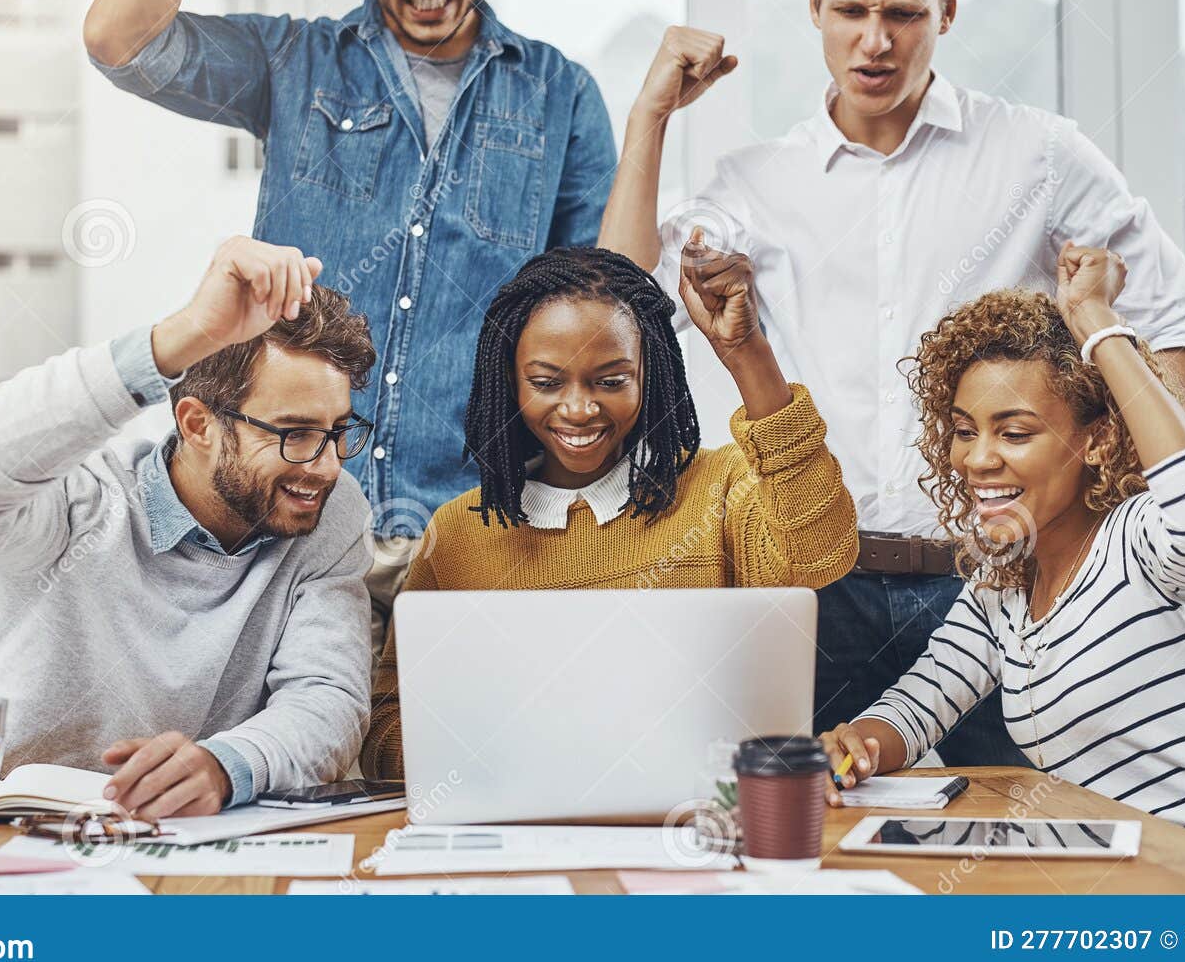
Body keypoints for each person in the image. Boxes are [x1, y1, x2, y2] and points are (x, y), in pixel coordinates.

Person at [597, 0, 1185, 766]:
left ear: (948, 11)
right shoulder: (757, 183)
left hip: (996, 582)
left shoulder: (1039, 155)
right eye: (851, 9)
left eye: (904, 11)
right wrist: (650, 116)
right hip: (817, 588)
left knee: (1018, 836)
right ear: (814, 6)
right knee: (805, 843)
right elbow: (617, 305)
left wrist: (1110, 512)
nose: (875, 39)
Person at [83, 0, 618, 642]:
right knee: (281, 760)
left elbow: (601, 315)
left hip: (469, 541)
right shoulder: (295, 63)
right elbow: (119, 37)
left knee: (440, 766)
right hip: (282, 532)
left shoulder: (560, 95)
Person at [819, 245, 1185, 868]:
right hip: (1146, 881)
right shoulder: (1003, 587)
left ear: (1098, 440)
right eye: (965, 430)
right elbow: (919, 703)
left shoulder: (1143, 541)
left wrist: (1096, 322)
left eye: (1014, 432)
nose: (978, 459)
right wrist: (857, 746)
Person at [360, 236, 861, 779]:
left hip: (695, 821)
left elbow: (818, 554)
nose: (579, 409)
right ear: (509, 379)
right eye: (547, 383)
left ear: (651, 374)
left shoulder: (717, 489)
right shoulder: (458, 534)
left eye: (612, 381)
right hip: (517, 829)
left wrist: (746, 353)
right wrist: (514, 765)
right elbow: (388, 728)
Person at [0, 237, 375, 818]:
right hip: (7, 833)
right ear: (198, 424)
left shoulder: (330, 510)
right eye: (294, 434)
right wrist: (172, 344)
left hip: (181, 852)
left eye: (337, 431)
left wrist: (226, 766)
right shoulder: (77, 501)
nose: (327, 465)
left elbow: (327, 696)